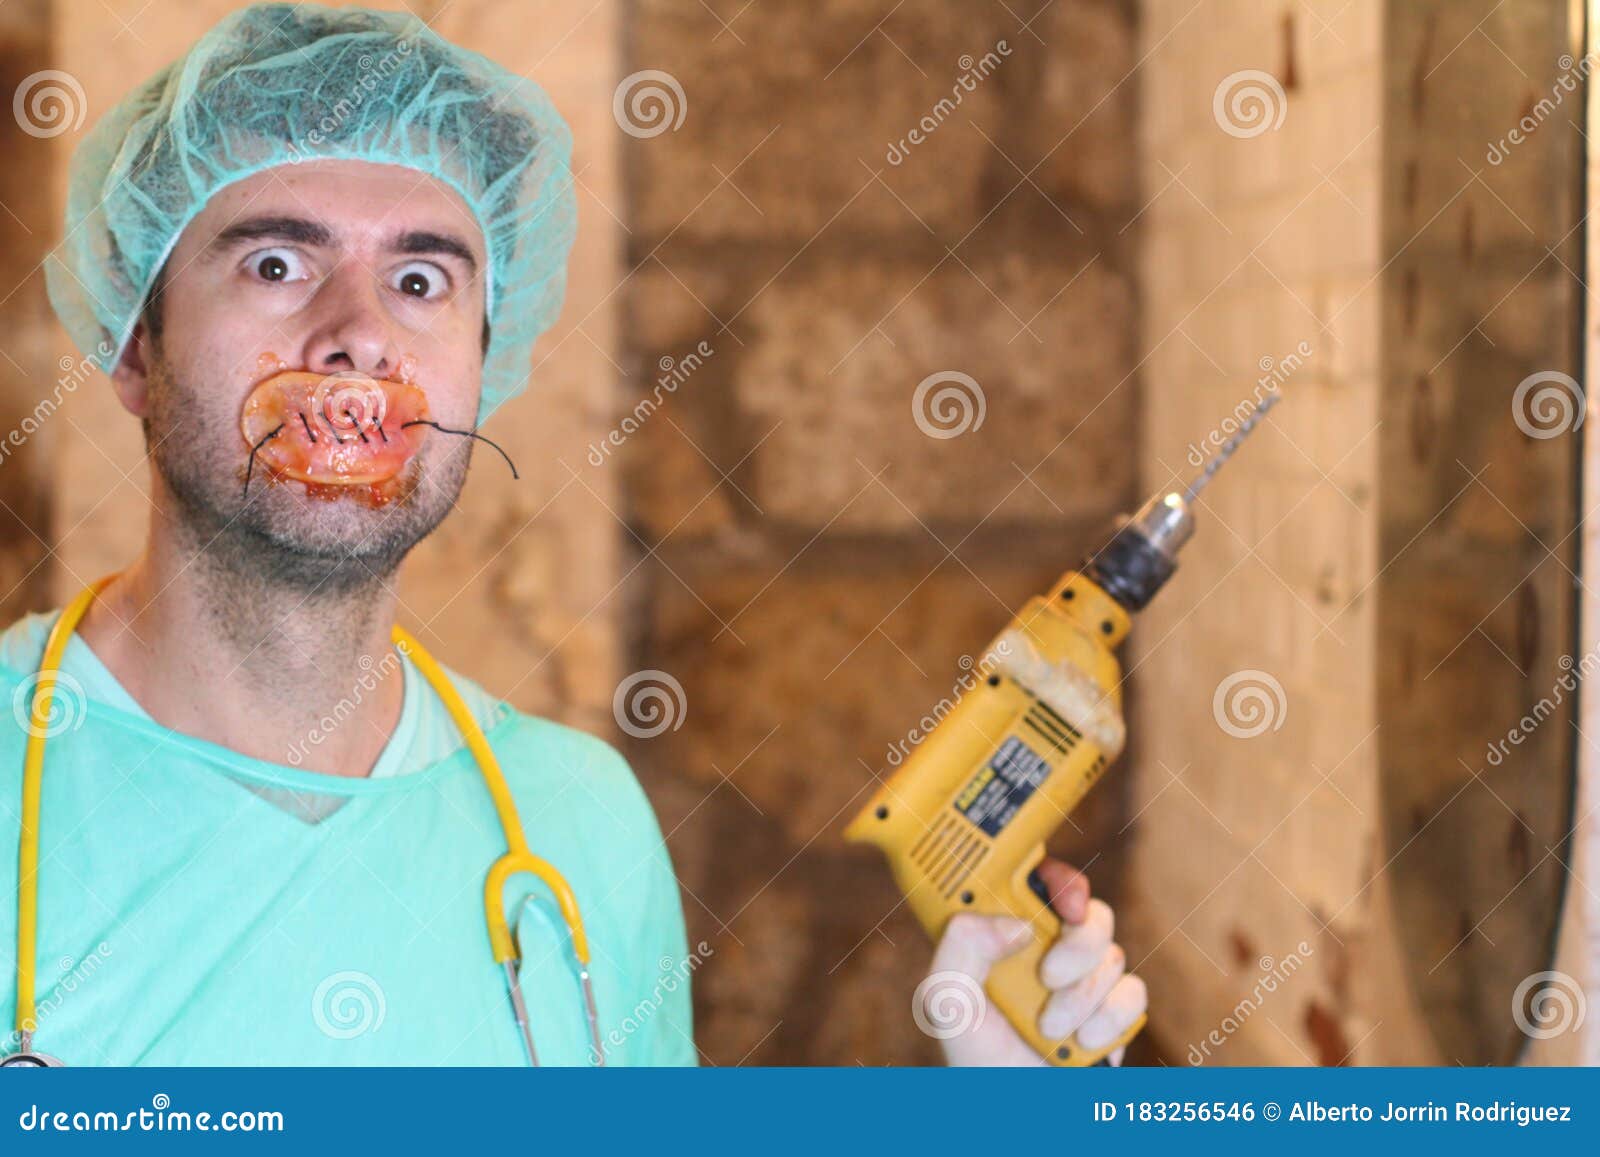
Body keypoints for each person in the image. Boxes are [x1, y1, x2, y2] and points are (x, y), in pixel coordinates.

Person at [0, 2, 1143, 1067]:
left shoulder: (580, 828)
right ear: (135, 348)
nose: (356, 335)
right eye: (275, 263)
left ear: (482, 370)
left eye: (418, 278)